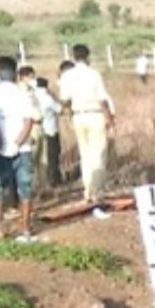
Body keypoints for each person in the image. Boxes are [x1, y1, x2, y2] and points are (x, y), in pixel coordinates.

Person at [59, 44, 114, 203]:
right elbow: (102, 98)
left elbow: (64, 100)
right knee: (99, 153)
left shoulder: (67, 76)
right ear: (88, 56)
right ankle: (96, 190)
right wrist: (109, 118)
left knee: (85, 154)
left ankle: (87, 190)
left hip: (78, 116)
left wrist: (69, 113)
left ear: (74, 57)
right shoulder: (93, 74)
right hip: (94, 114)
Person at [0, 56, 37, 238]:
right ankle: (26, 229)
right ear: (14, 73)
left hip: (0, 149)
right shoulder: (21, 93)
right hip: (22, 149)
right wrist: (18, 142)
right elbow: (29, 121)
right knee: (25, 189)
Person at [34, 78, 62, 190]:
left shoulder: (33, 96)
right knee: (52, 157)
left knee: (39, 159)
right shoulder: (47, 98)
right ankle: (53, 180)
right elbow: (59, 109)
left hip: (37, 131)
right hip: (51, 130)